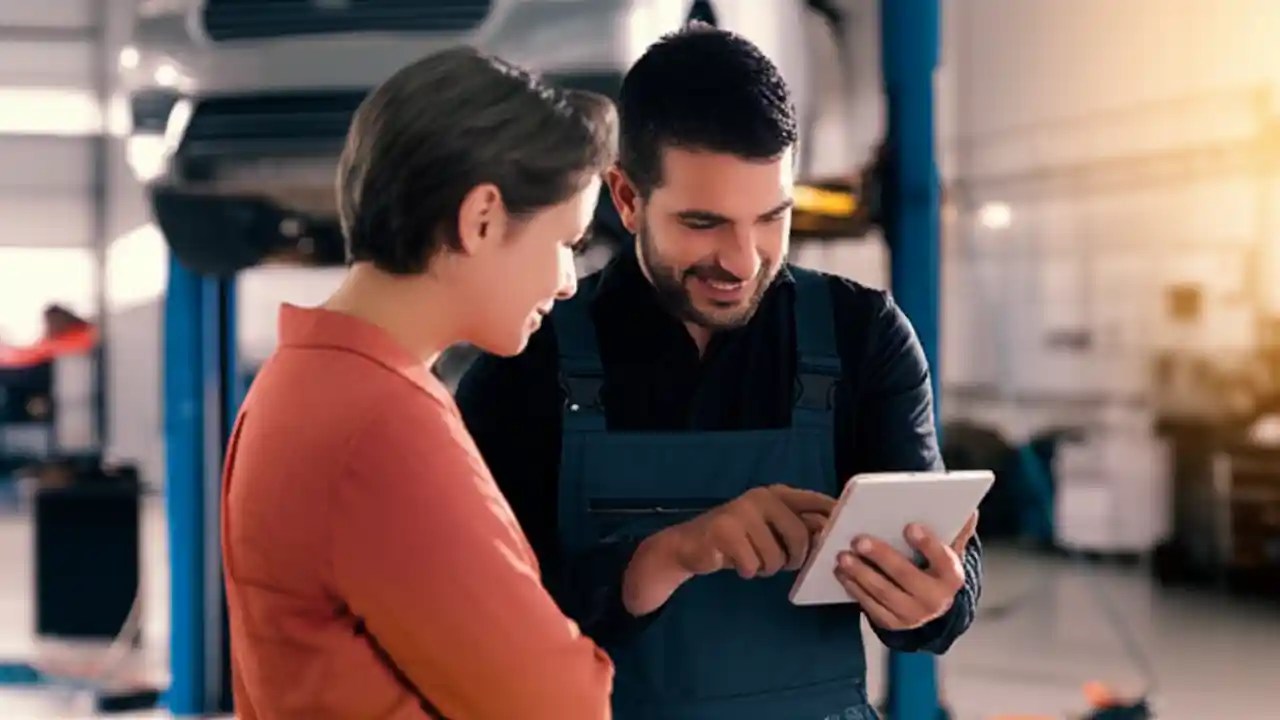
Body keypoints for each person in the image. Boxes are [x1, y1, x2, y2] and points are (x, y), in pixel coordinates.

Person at [456, 25, 982, 720]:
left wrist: (938, 597)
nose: (742, 260)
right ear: (626, 197)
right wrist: (672, 553)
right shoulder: (529, 355)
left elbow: (936, 563)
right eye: (703, 223)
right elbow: (482, 623)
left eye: (771, 218)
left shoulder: (864, 337)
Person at [220, 47, 617, 720]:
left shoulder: (300, 380)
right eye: (566, 244)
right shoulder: (379, 425)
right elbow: (559, 706)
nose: (567, 281)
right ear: (482, 218)